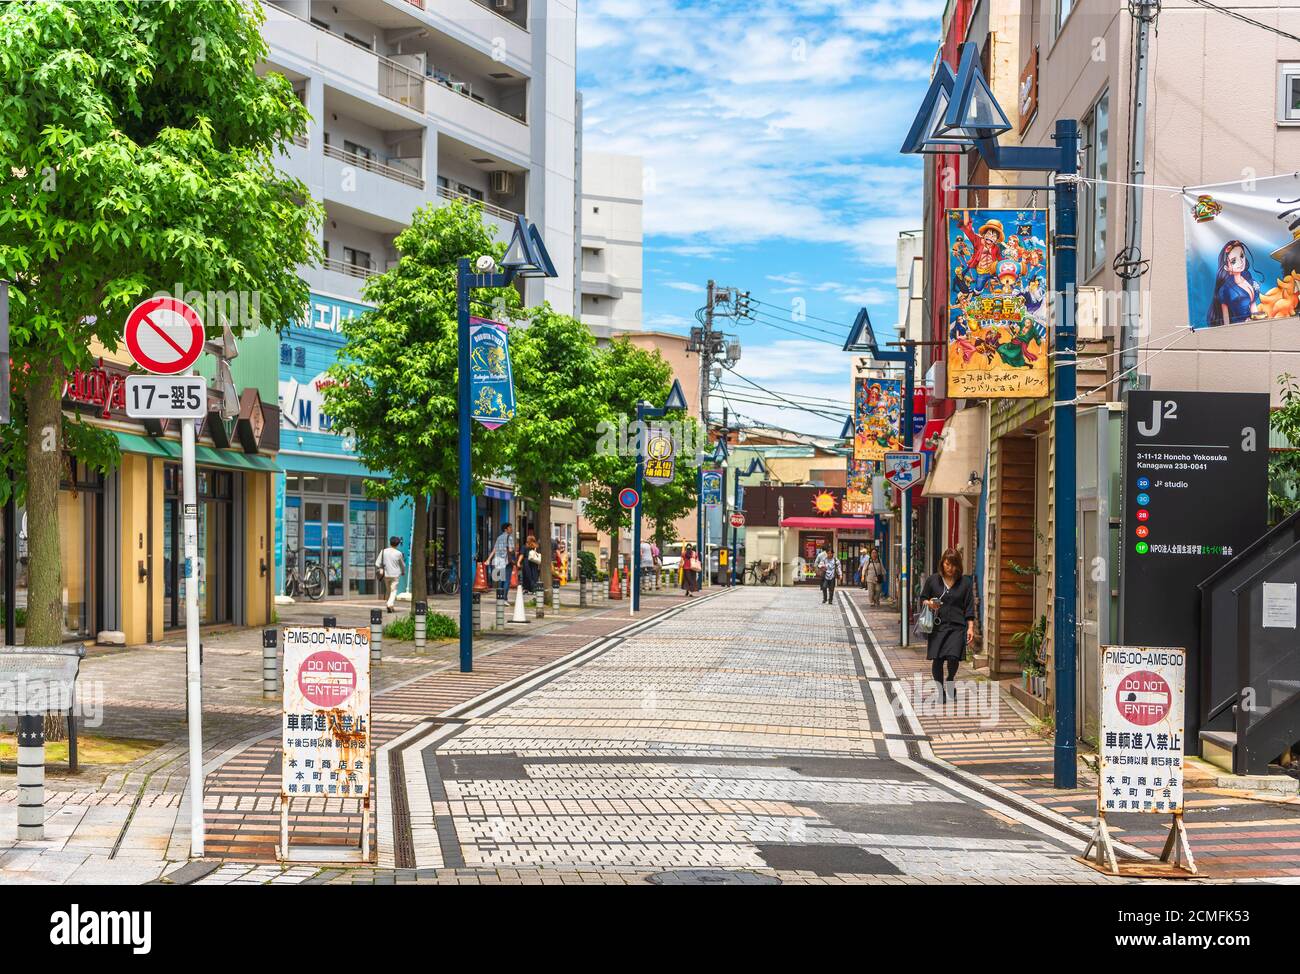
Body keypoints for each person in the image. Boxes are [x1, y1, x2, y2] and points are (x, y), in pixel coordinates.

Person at [919, 548, 976, 704]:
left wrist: (970, 627)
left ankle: (950, 679)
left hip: (957, 627)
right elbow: (922, 598)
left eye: (954, 565)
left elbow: (969, 607)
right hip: (938, 626)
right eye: (947, 564)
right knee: (937, 659)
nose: (950, 569)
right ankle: (940, 691)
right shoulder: (933, 580)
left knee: (953, 657)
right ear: (942, 564)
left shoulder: (965, 583)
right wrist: (929, 603)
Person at [375, 536, 406, 613]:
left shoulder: (383, 551)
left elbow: (377, 563)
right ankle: (389, 604)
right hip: (395, 575)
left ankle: (390, 606)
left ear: (390, 542)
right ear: (398, 544)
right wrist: (403, 571)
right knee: (394, 590)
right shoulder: (399, 553)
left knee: (388, 590)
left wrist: (382, 568)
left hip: (386, 574)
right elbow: (402, 565)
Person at [491, 522, 516, 602]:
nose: (511, 529)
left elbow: (495, 549)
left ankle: (500, 597)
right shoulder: (509, 538)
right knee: (507, 580)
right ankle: (504, 599)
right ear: (506, 529)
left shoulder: (499, 538)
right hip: (507, 561)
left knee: (501, 580)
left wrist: (489, 559)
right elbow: (511, 550)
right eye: (510, 527)